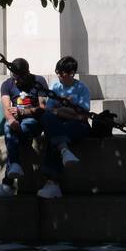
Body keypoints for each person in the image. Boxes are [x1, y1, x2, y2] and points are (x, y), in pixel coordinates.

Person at [0, 57, 51, 198]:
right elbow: (6, 107)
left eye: (19, 78)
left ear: (27, 74)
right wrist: (10, 119)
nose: (15, 81)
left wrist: (23, 112)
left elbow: (43, 107)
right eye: (13, 77)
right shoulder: (7, 84)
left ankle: (7, 185)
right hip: (15, 121)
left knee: (21, 129)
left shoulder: (39, 81)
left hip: (33, 122)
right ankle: (14, 167)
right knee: (9, 129)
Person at [38, 57, 92, 199]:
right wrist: (69, 110)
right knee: (47, 119)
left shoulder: (82, 89)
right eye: (57, 72)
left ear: (72, 73)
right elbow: (49, 111)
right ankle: (64, 150)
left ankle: (52, 183)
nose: (59, 76)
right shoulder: (56, 87)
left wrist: (60, 110)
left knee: (54, 135)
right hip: (58, 123)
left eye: (62, 73)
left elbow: (82, 116)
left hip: (77, 125)